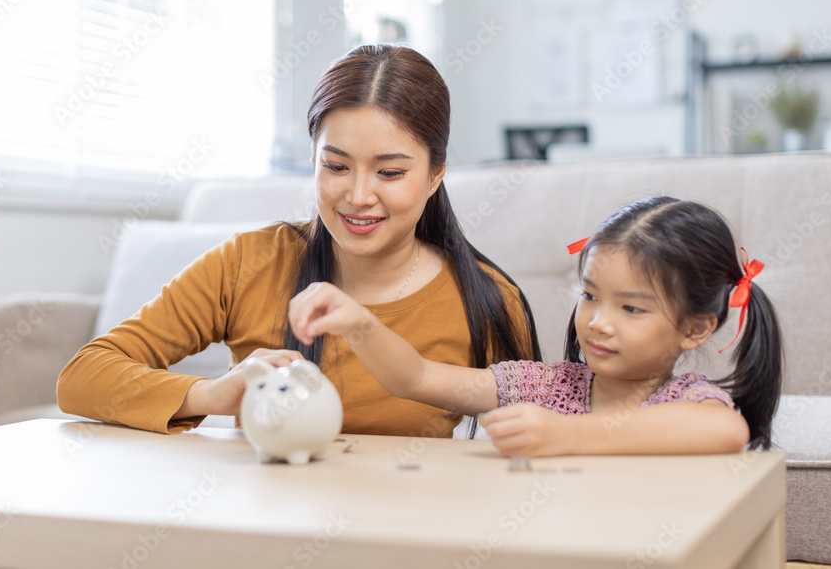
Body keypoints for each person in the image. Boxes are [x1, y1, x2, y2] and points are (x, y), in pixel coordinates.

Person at [57, 44, 541, 437]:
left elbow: (555, 422)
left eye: (390, 172)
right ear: (312, 160)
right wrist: (211, 394)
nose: (357, 196)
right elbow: (83, 377)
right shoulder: (247, 263)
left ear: (436, 174)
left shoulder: (486, 299)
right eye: (335, 166)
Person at [288, 196, 783, 455]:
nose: (599, 323)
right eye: (590, 296)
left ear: (696, 328)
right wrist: (360, 324)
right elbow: (418, 378)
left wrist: (567, 437)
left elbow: (723, 431)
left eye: (631, 309)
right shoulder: (547, 387)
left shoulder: (690, 403)